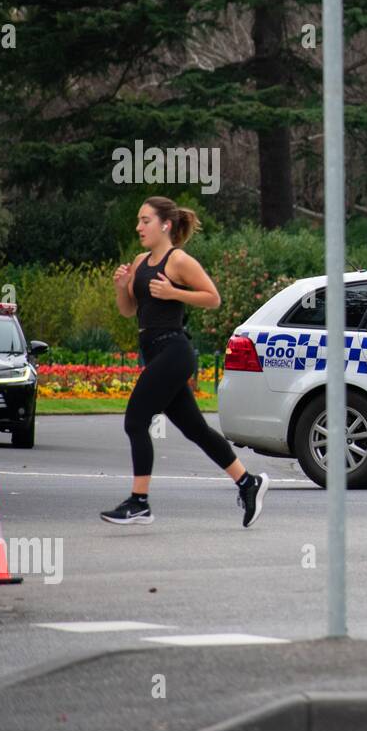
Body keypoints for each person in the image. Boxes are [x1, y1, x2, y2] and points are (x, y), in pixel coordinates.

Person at [101, 197, 268, 527]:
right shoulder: (139, 261)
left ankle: (139, 502)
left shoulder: (178, 261)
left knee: (135, 421)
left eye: (145, 220)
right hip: (154, 350)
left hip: (174, 351)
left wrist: (174, 293)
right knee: (196, 430)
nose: (138, 227)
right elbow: (128, 310)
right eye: (138, 220)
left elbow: (213, 298)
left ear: (164, 225)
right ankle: (248, 483)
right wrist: (122, 287)